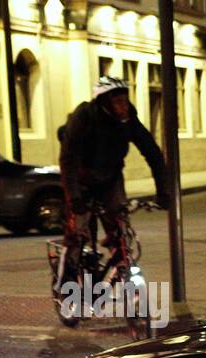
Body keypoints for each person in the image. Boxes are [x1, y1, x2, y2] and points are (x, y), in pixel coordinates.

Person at [55, 76, 170, 312]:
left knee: (120, 229)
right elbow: (68, 159)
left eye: (125, 100)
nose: (122, 105)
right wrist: (74, 197)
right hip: (82, 177)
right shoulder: (85, 116)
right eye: (117, 101)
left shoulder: (129, 120)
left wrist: (163, 192)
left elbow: (153, 153)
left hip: (110, 178)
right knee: (78, 230)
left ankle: (115, 272)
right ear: (104, 101)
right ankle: (65, 285)